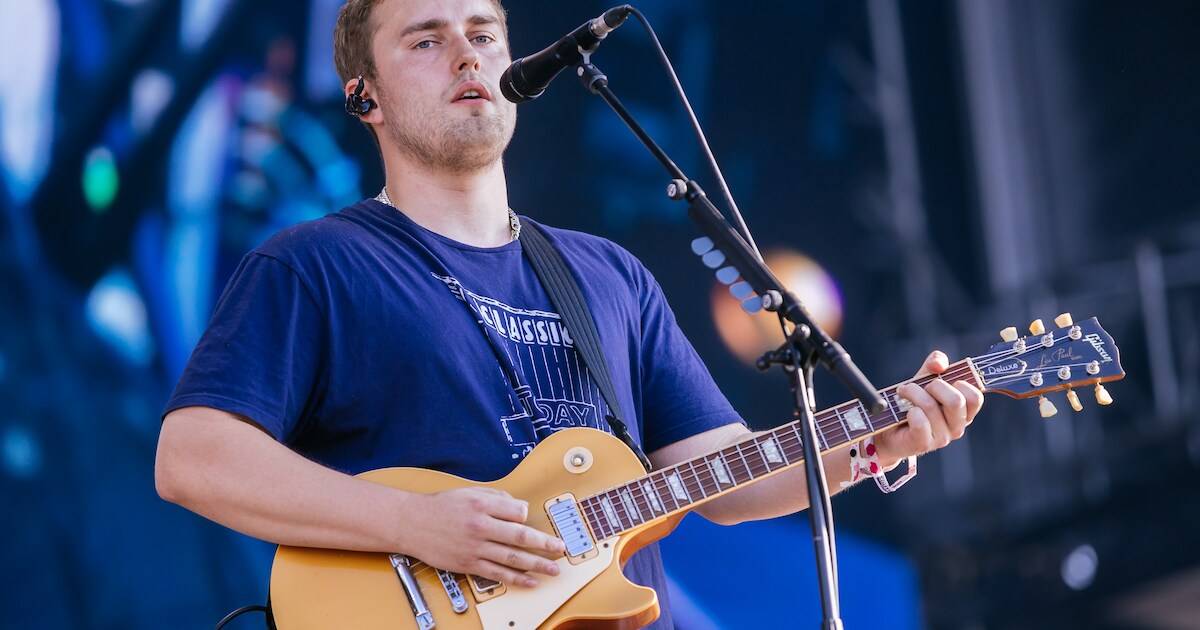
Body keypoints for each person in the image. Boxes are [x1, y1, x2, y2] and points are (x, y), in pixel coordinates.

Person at [154, 0, 984, 627]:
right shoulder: (315, 264)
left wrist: (875, 440)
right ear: (363, 97)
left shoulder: (606, 274)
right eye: (426, 40)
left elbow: (724, 477)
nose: (466, 56)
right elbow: (192, 457)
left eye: (483, 35)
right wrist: (416, 522)